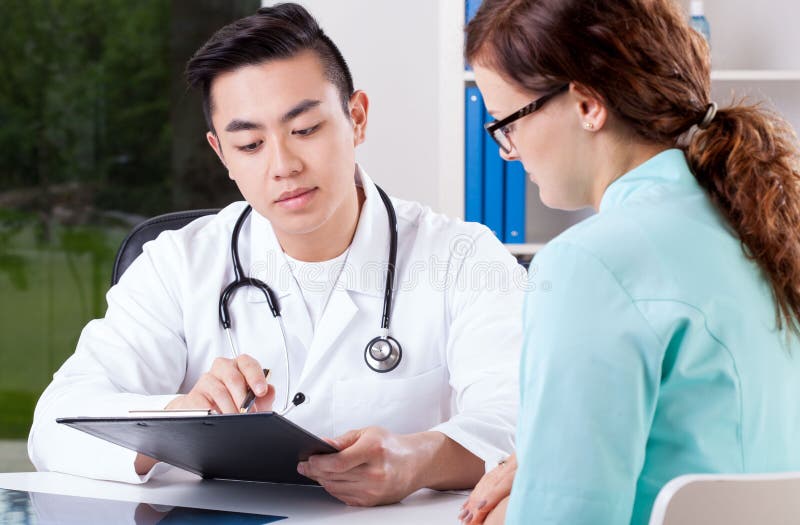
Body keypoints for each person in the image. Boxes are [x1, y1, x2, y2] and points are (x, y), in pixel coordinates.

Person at [28, 3, 525, 507]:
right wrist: (178, 418)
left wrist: (421, 458)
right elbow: (55, 423)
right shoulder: (177, 263)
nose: (283, 165)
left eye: (305, 130)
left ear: (356, 119)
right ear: (221, 154)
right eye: (249, 144)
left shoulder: (464, 258)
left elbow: (525, 419)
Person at [458, 0, 800, 523]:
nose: (511, 152)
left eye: (508, 122)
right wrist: (545, 461)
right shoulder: (760, 228)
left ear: (587, 106)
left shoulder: (589, 264)